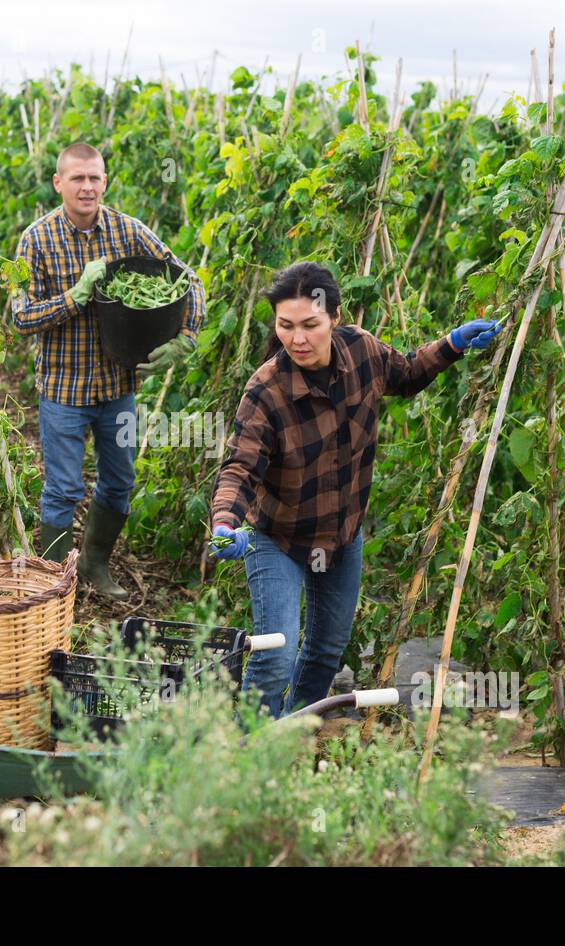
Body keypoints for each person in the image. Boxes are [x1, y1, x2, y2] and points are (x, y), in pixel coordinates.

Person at [208, 261, 500, 717]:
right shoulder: (266, 390)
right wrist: (225, 521)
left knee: (326, 650)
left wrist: (453, 343)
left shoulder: (361, 352)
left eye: (310, 325)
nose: (297, 339)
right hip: (279, 539)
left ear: (335, 318)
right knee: (275, 654)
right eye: (286, 326)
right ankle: (252, 753)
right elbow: (239, 467)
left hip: (342, 537)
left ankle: (295, 730)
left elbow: (405, 372)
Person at [12, 142, 205, 599]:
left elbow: (188, 278)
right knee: (62, 489)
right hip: (63, 388)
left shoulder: (128, 231)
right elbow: (21, 317)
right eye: (77, 178)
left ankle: (95, 566)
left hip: (117, 388)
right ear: (58, 183)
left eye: (95, 177)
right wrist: (76, 295)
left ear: (105, 181)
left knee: (120, 482)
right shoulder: (36, 240)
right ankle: (55, 588)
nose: (87, 186)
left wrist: (188, 337)